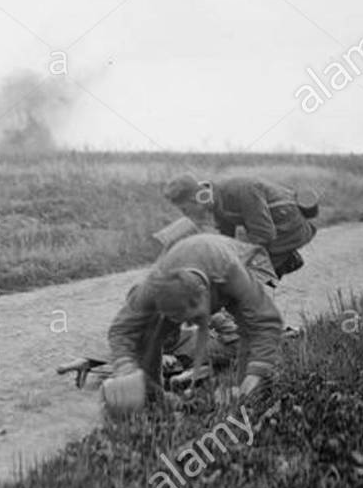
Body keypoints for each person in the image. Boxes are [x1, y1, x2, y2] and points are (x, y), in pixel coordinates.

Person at [103, 232, 284, 414]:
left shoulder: (230, 271)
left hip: (234, 265)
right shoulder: (151, 287)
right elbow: (121, 330)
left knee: (248, 334)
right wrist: (125, 368)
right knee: (149, 330)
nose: (186, 324)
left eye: (190, 317)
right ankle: (155, 401)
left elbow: (266, 322)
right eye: (176, 319)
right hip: (191, 270)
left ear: (203, 294)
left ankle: (250, 399)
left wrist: (254, 377)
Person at [163, 172, 318, 279]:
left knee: (253, 276)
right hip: (274, 229)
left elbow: (264, 234)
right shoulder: (214, 198)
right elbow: (226, 234)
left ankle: (285, 262)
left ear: (195, 199)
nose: (185, 214)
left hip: (288, 228)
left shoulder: (241, 190)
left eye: (184, 209)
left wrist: (239, 260)